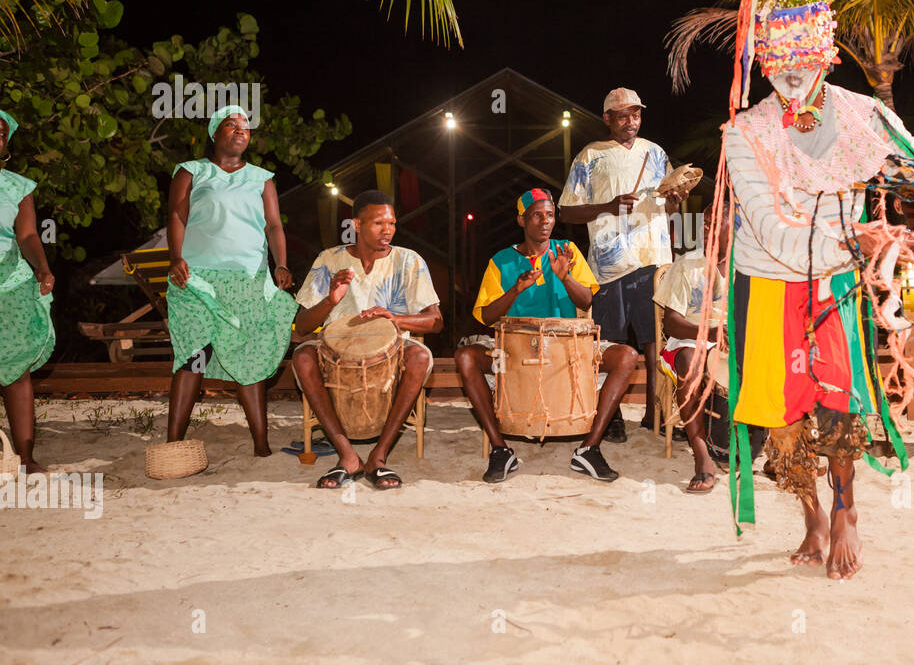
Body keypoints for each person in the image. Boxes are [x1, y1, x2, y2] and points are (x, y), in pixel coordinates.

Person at [704, 0, 914, 580]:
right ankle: (806, 518)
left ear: (826, 51)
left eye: (806, 63)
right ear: (765, 60)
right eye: (780, 66)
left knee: (839, 400)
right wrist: (860, 244)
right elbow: (770, 230)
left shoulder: (862, 113)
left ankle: (844, 511)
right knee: (780, 413)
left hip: (832, 286)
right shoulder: (744, 133)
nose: (794, 80)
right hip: (767, 285)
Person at [455, 188, 637, 483]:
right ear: (522, 220)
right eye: (536, 215)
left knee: (627, 357)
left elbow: (586, 301)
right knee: (465, 357)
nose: (545, 221)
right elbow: (487, 317)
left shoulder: (567, 251)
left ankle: (589, 448)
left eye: (550, 215)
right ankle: (500, 450)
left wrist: (565, 276)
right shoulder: (501, 260)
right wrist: (516, 289)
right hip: (514, 355)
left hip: (569, 353)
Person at [166, 105, 297, 457]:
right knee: (193, 354)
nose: (240, 131)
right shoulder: (192, 172)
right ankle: (173, 445)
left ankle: (261, 445)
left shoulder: (261, 178)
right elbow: (177, 215)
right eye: (231, 125)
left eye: (246, 127)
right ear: (214, 133)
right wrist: (176, 256)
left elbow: (274, 226)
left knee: (250, 353)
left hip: (248, 279)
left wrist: (281, 263)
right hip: (197, 278)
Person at [558, 88, 686, 440]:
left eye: (636, 114)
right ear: (608, 119)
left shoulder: (656, 153)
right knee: (609, 342)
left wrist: (675, 200)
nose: (631, 121)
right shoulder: (590, 156)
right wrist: (608, 206)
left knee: (654, 341)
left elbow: (670, 209)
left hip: (653, 260)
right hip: (610, 266)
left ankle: (654, 413)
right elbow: (565, 210)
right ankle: (610, 414)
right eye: (623, 115)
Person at [293, 190, 441, 490]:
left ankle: (378, 456)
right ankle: (347, 456)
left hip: (392, 348)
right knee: (302, 356)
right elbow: (302, 327)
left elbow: (435, 320)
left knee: (421, 356)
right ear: (356, 224)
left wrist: (394, 318)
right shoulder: (329, 259)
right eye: (378, 223)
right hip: (334, 349)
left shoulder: (408, 261)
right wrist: (330, 300)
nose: (387, 230)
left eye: (392, 223)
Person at [653, 205, 730, 493]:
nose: (706, 229)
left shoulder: (743, 268)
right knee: (689, 360)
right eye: (705, 223)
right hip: (690, 337)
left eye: (714, 224)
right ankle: (701, 456)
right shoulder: (687, 264)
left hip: (728, 341)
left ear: (731, 228)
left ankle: (771, 444)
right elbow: (672, 323)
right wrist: (709, 332)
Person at [0, 110, 56, 474]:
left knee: (16, 368)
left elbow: (28, 236)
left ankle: (25, 455)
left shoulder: (19, 187)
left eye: (2, 132)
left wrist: (42, 267)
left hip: (9, 282)